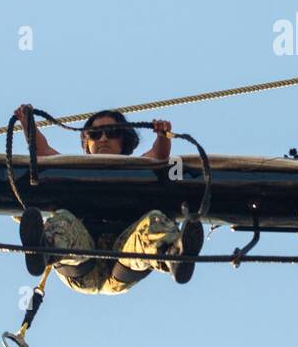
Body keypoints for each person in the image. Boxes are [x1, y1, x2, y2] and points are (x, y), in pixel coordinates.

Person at [13, 104, 204, 293]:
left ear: (124, 140)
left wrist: (163, 136)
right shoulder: (72, 170)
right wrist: (28, 125)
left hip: (124, 260)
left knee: (153, 222)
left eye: (112, 132)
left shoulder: (139, 169)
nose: (103, 139)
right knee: (64, 220)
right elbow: (43, 152)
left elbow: (158, 157)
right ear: (87, 143)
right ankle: (42, 249)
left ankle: (175, 255)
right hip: (81, 262)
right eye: (95, 134)